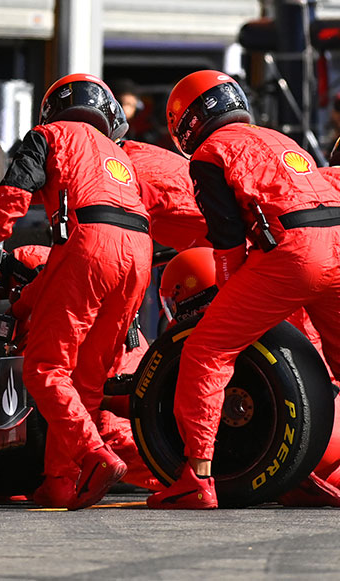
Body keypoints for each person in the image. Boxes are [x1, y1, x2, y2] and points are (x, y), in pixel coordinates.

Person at [0, 74, 151, 510]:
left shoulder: (48, 134)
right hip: (140, 252)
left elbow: (14, 197)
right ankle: (61, 479)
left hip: (90, 242)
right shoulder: (116, 153)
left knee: (43, 368)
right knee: (87, 380)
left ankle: (93, 454)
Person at [148, 70, 340, 509]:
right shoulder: (280, 138)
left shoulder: (210, 152)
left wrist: (227, 294)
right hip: (337, 241)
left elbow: (227, 238)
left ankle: (196, 478)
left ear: (188, 120)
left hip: (295, 251)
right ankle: (301, 470)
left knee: (206, 351)